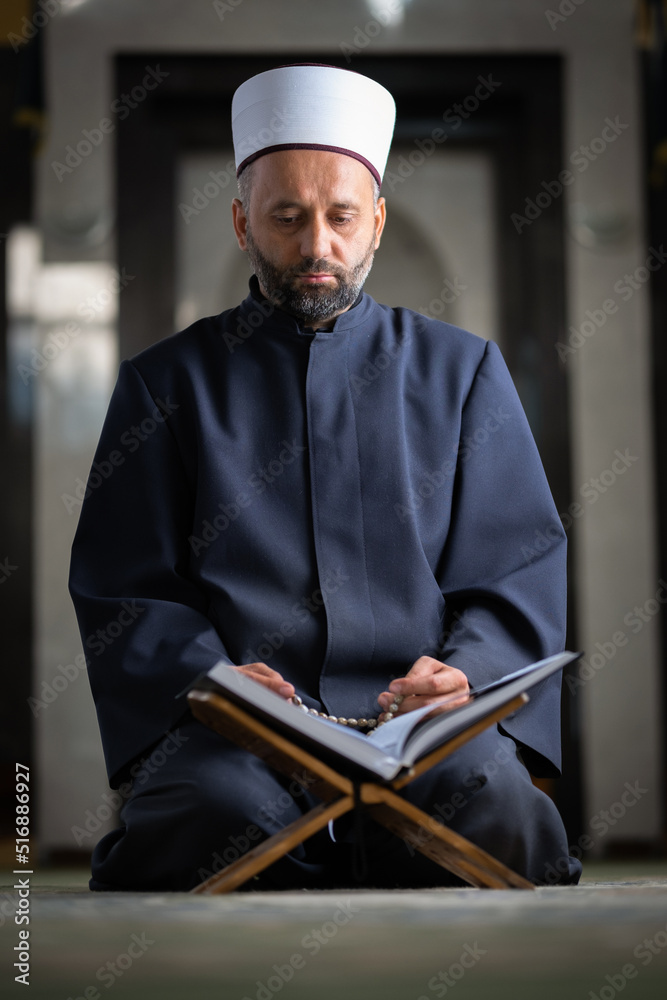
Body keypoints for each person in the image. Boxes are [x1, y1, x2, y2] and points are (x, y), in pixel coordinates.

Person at [69, 64, 581, 891]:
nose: (317, 246)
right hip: (238, 729)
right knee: (209, 813)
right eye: (286, 217)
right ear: (242, 223)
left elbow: (515, 565)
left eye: (341, 217)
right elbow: (124, 584)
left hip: (421, 724)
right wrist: (211, 678)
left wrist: (465, 672)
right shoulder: (164, 383)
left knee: (498, 810)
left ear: (375, 222)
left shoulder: (463, 372)